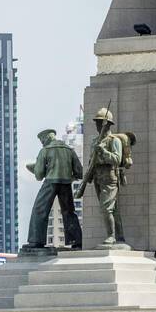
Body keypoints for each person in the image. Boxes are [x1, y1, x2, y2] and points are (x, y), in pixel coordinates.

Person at [25, 128, 84, 250]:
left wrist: (35, 169)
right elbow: (80, 172)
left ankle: (36, 241)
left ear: (46, 138)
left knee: (39, 210)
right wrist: (70, 177)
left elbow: (39, 175)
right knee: (69, 212)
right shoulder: (69, 150)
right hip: (66, 183)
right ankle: (76, 241)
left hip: (50, 182)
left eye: (42, 141)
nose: (42, 143)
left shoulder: (45, 150)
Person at [82, 107, 127, 246]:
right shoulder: (95, 141)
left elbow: (117, 159)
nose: (97, 125)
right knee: (113, 209)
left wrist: (103, 151)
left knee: (106, 208)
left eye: (100, 122)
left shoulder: (114, 141)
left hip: (110, 177)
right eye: (96, 122)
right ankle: (119, 236)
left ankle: (112, 236)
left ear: (107, 124)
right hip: (98, 177)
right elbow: (91, 161)